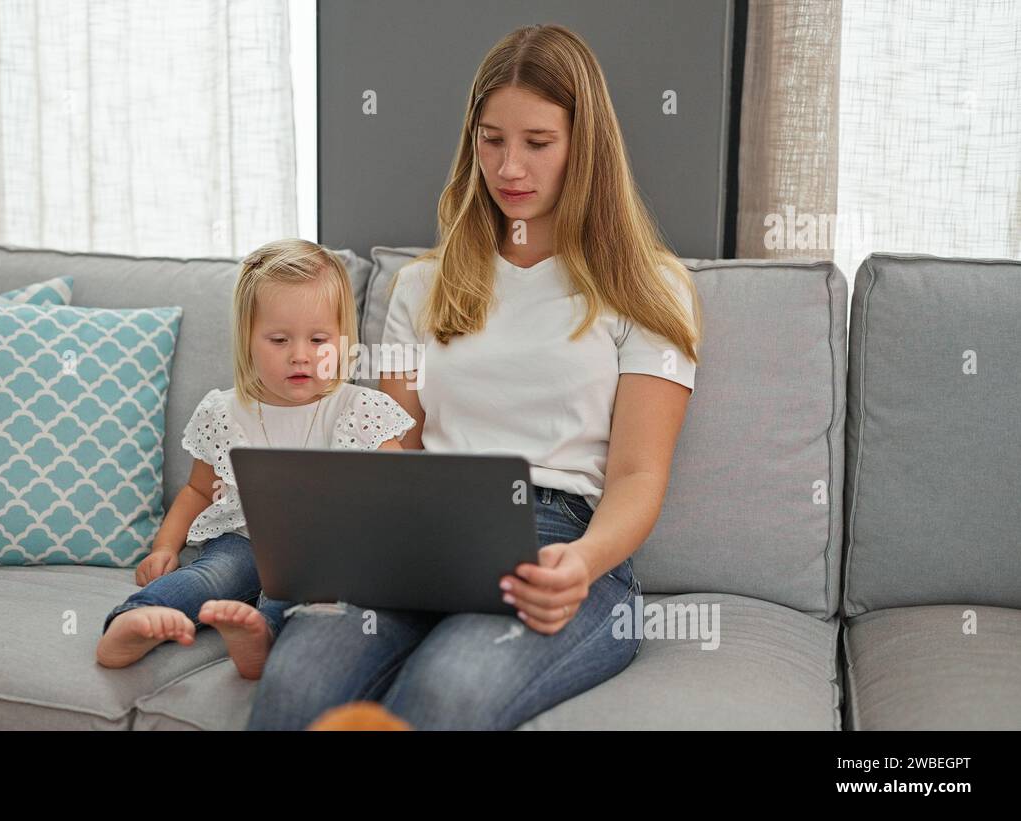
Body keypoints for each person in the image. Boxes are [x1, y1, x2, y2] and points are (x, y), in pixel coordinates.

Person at [246, 23, 703, 730]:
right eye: (492, 140)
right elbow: (395, 446)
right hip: (422, 536)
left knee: (447, 689)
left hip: (563, 544)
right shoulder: (419, 287)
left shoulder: (648, 288)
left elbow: (640, 475)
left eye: (537, 143)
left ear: (585, 147)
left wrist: (579, 563)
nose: (509, 168)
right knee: (296, 682)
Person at [95, 238, 416, 678]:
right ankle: (136, 620)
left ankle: (259, 637)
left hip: (321, 553)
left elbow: (399, 493)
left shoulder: (359, 410)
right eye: (279, 339)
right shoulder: (224, 413)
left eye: (319, 339)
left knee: (301, 596)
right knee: (211, 576)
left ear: (343, 341)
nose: (300, 354)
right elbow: (196, 490)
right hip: (241, 540)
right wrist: (165, 546)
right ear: (247, 339)